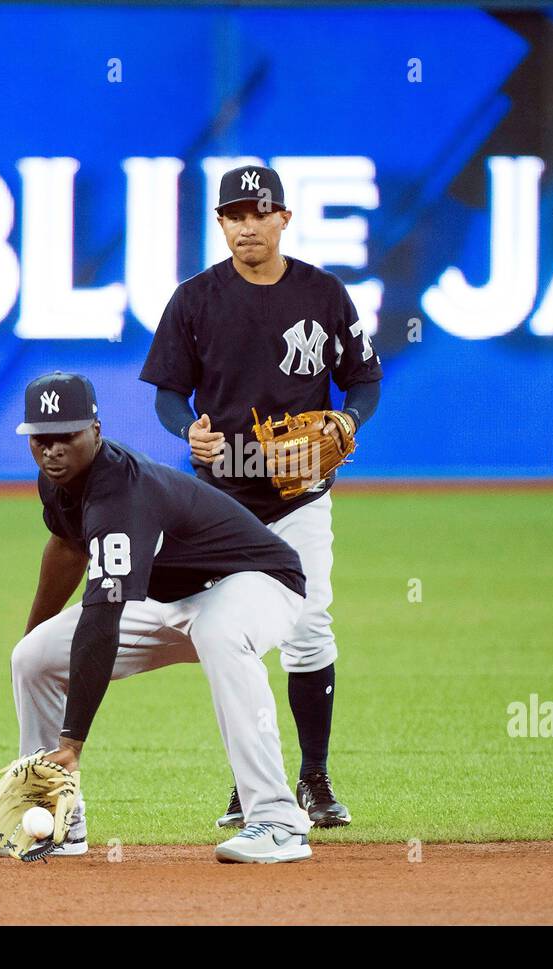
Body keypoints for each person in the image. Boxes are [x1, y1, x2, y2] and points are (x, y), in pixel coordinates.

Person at [0, 370, 315, 863]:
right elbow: (67, 547)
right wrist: (37, 631)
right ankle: (57, 818)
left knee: (220, 630)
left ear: (95, 430)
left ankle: (278, 821)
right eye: (41, 439)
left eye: (66, 436)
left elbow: (103, 617)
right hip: (168, 599)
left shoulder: (120, 492)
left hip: (260, 581)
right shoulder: (57, 480)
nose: (52, 451)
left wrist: (72, 742)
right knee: (33, 658)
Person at [140, 164, 382, 828]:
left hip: (302, 494)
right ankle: (250, 786)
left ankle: (314, 779)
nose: (247, 224)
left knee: (309, 630)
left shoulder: (324, 294)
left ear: (284, 218)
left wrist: (350, 421)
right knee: (227, 636)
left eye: (259, 211)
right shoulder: (194, 299)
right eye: (234, 214)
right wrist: (185, 428)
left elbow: (363, 380)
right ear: (220, 224)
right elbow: (167, 392)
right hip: (220, 501)